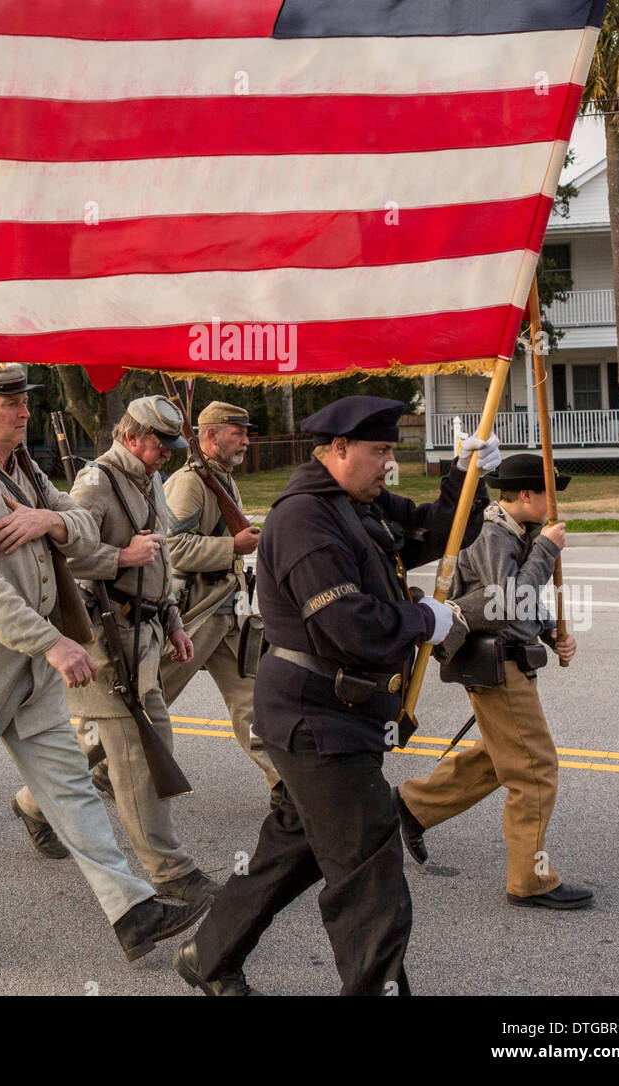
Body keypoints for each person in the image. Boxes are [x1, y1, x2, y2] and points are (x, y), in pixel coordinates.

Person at [0, 364, 207, 973]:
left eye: (23, 401)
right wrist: (52, 641)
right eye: (7, 402)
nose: (23, 412)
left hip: (26, 665)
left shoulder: (24, 472)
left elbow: (79, 530)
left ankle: (132, 911)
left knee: (71, 789)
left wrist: (47, 520)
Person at [173, 395, 499, 996]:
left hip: (336, 715)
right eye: (379, 452)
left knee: (289, 854)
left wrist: (466, 480)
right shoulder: (306, 518)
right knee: (369, 877)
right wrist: (422, 620)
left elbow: (433, 531)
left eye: (391, 452)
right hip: (317, 719)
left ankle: (206, 954)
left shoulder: (357, 504)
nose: (388, 466)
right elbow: (348, 624)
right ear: (338, 450)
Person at [15, 395, 219, 905]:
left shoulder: (146, 479)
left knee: (141, 742)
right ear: (131, 438)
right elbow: (65, 555)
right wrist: (120, 556)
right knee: (137, 756)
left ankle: (32, 804)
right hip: (107, 635)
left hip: (145, 634)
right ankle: (168, 870)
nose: (166, 454)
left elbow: (163, 558)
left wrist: (173, 620)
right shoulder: (95, 482)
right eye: (159, 444)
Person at [394, 452, 592, 910]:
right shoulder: (491, 533)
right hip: (496, 663)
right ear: (525, 495)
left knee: (499, 755)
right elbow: (504, 604)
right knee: (534, 769)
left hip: (509, 658)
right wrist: (546, 550)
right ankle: (530, 879)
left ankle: (410, 805)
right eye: (548, 495)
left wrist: (550, 631)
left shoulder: (514, 529)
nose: (553, 506)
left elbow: (520, 601)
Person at [161, 402, 279, 794]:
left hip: (227, 611)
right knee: (142, 706)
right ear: (210, 436)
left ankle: (287, 786)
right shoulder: (191, 481)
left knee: (253, 701)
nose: (246, 439)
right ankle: (39, 802)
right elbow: (171, 547)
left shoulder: (221, 477)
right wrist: (231, 545)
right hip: (195, 614)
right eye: (237, 432)